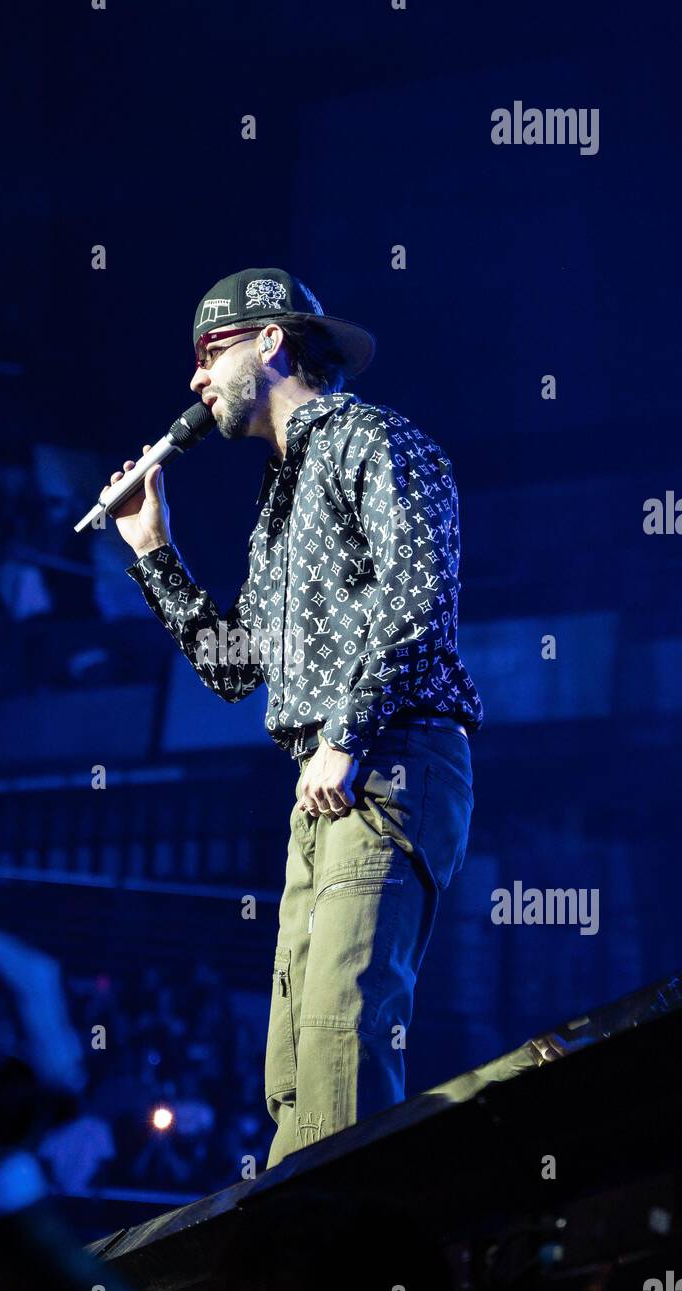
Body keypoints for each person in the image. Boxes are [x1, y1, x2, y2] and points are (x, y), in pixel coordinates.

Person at [107, 267, 484, 1168]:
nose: (196, 380)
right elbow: (238, 672)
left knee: (340, 1035)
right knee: (291, 1063)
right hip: (328, 777)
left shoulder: (374, 441)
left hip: (387, 759)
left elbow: (419, 595)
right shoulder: (278, 505)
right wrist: (153, 550)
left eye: (210, 354)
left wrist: (347, 736)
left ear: (270, 341)